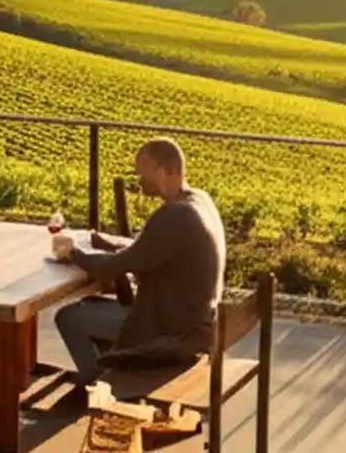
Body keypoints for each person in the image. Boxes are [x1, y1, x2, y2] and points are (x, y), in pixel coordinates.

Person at [50, 137, 226, 392]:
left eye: (143, 174)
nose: (138, 180)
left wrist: (72, 253)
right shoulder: (198, 201)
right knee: (95, 312)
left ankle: (105, 391)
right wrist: (104, 241)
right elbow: (147, 250)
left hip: (172, 329)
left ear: (165, 171)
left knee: (69, 317)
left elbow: (111, 268)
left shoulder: (174, 216)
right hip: (196, 319)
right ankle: (110, 374)